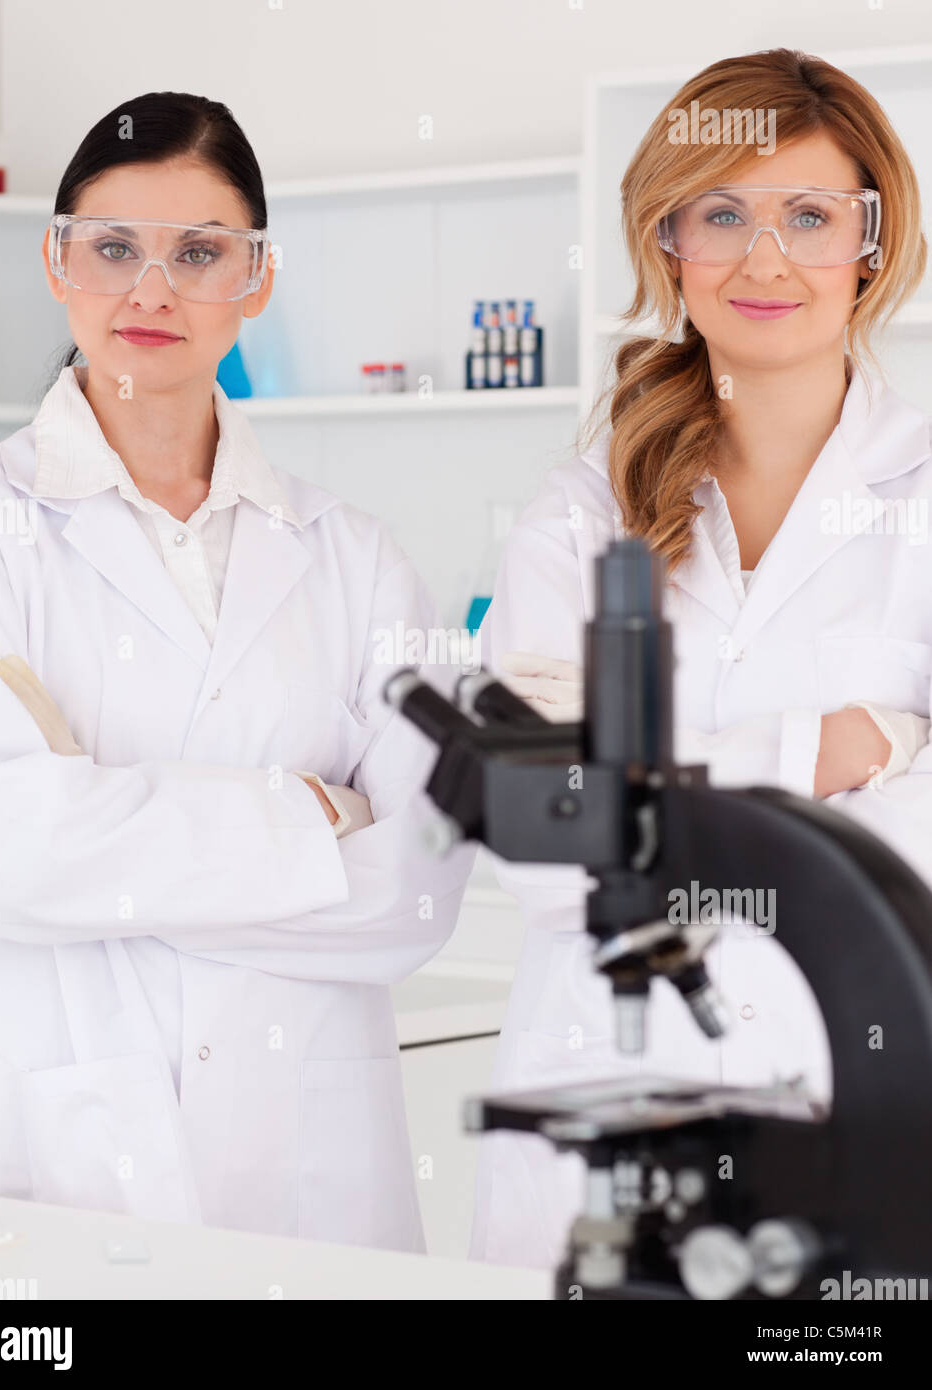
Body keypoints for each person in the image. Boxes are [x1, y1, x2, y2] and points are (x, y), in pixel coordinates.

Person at [0, 91, 473, 1251]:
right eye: (113, 248)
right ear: (57, 262)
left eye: (200, 252)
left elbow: (419, 891)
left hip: (315, 1172)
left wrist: (115, 893)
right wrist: (311, 819)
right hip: (53, 1162)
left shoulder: (357, 559)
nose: (151, 289)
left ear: (257, 277)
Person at [470, 47, 931, 1269]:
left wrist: (662, 792)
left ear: (870, 244)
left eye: (810, 216)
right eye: (719, 212)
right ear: (666, 241)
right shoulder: (579, 511)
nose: (763, 257)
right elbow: (542, 842)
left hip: (865, 1087)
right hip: (602, 1092)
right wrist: (823, 754)